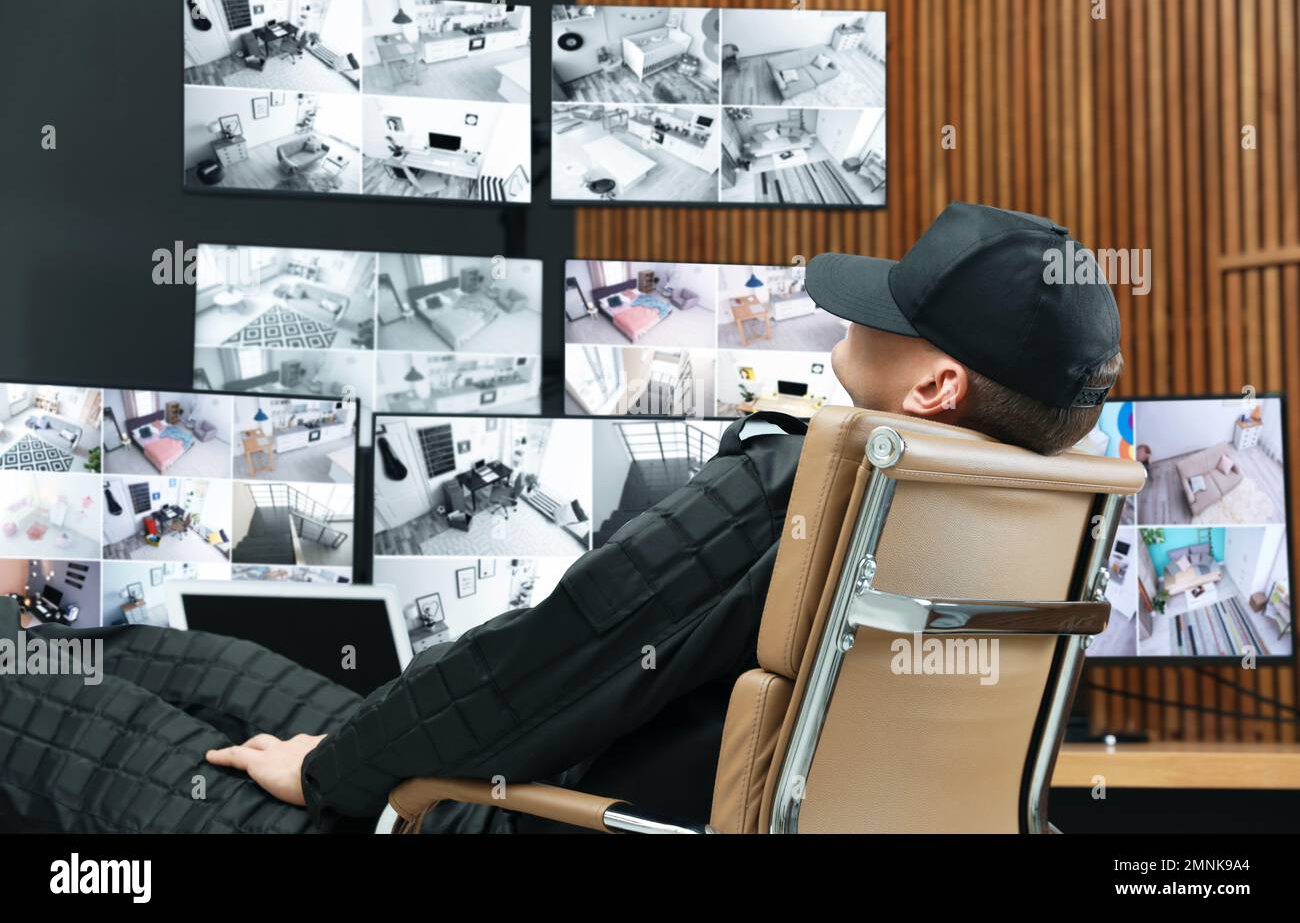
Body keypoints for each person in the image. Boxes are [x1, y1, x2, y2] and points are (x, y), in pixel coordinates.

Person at [0, 203, 1123, 833]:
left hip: (515, 813)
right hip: (555, 782)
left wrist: (335, 771)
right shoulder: (1013, 515)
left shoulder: (805, 482)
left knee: (25, 696)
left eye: (890, 314)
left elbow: (542, 664)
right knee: (150, 649)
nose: (853, 311)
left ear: (934, 387)